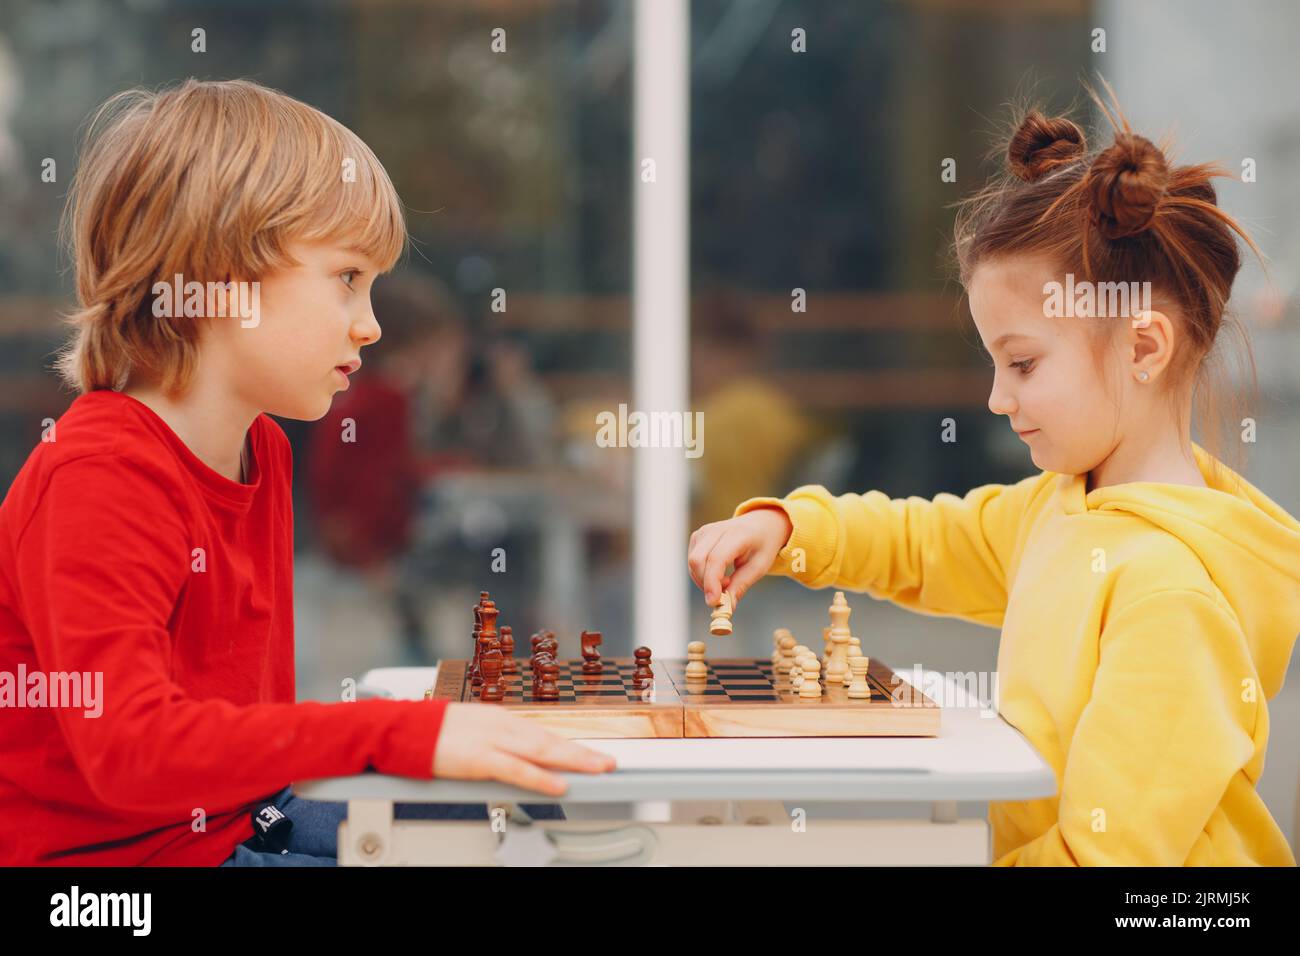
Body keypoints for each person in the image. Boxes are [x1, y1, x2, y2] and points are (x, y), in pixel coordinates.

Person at [0, 78, 613, 867]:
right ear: (219, 277)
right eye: (347, 278)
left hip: (240, 826)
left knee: (510, 812)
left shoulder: (265, 445)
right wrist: (397, 734)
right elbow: (131, 748)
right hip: (110, 881)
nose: (372, 324)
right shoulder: (100, 474)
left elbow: (255, 749)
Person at [688, 80, 1300, 866]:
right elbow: (926, 540)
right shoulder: (1068, 506)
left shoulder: (1173, 595)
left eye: (1022, 363)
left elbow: (1103, 859)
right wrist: (788, 525)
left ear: (1145, 348)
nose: (997, 397)